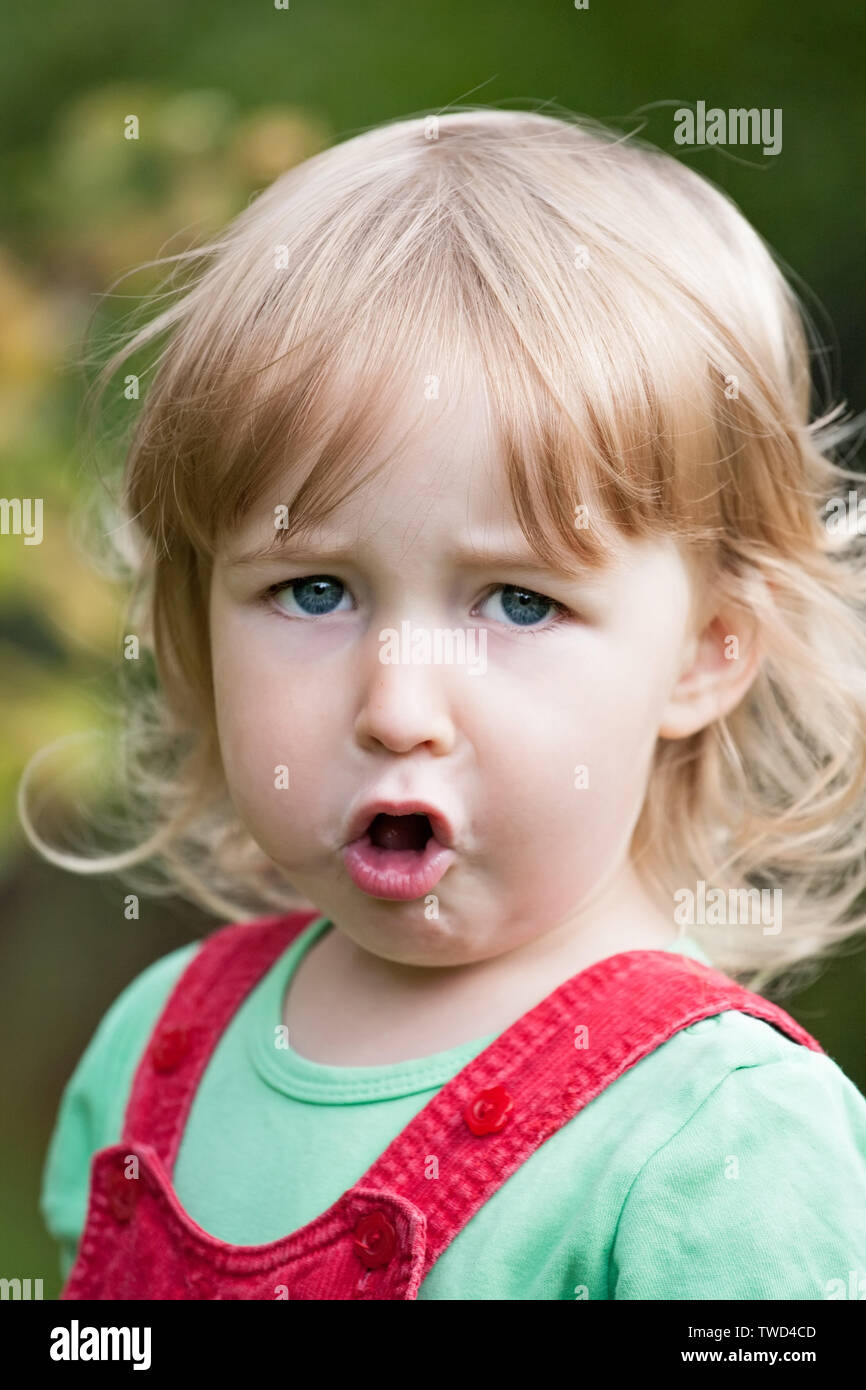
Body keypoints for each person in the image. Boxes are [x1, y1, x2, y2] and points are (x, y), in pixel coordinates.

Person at [27, 107, 866, 1299]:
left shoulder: (717, 1148)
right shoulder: (155, 1050)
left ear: (704, 654)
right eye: (313, 589)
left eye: (517, 604)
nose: (396, 704)